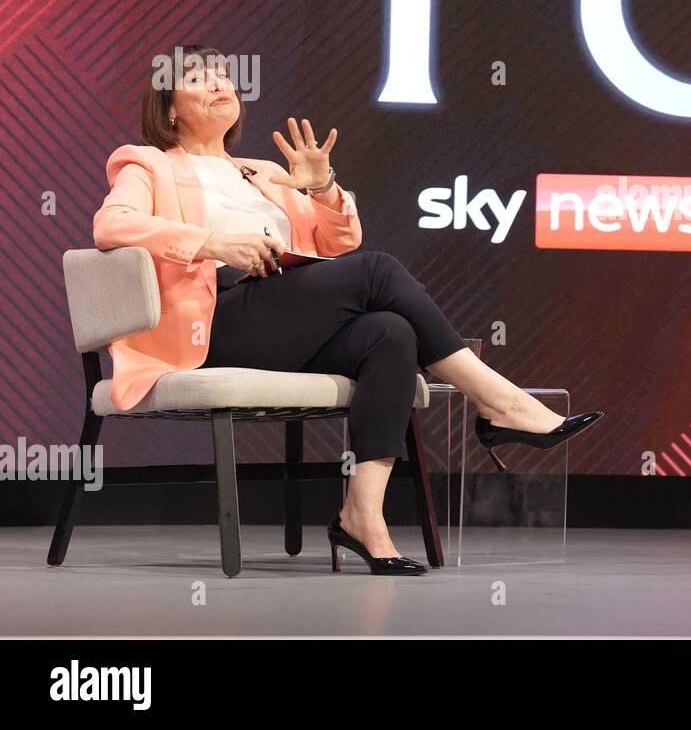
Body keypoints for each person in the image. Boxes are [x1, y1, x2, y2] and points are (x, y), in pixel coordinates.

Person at [93, 45, 602, 576]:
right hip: (213, 323)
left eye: (224, 75)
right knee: (378, 271)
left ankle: (362, 516)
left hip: (281, 313)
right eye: (198, 77)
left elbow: (338, 243)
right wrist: (212, 242)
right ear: (170, 106)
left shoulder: (262, 172)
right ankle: (500, 403)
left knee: (391, 333)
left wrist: (321, 187)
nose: (220, 83)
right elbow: (112, 226)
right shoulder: (146, 163)